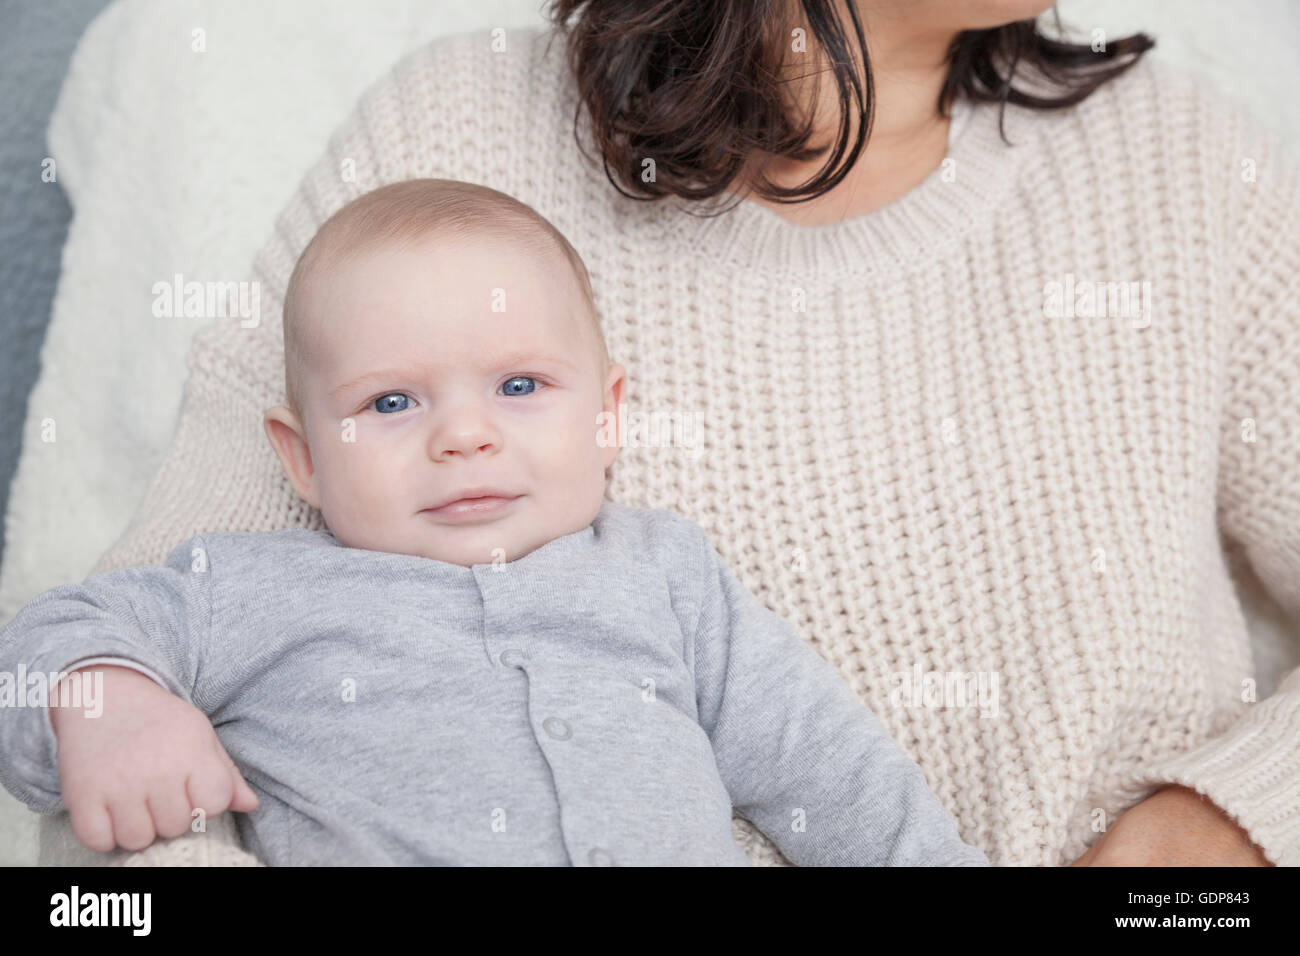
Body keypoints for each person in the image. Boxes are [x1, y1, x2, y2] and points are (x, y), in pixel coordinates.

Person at [58, 0, 1300, 866]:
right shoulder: (452, 140)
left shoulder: (1182, 166)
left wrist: (1214, 831)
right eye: (396, 406)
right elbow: (117, 685)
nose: (462, 440)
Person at [0, 179, 990, 866]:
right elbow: (47, 640)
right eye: (391, 403)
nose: (463, 436)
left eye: (519, 385)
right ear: (301, 454)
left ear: (605, 416)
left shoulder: (663, 572)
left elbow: (825, 758)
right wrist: (109, 704)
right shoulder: (251, 588)